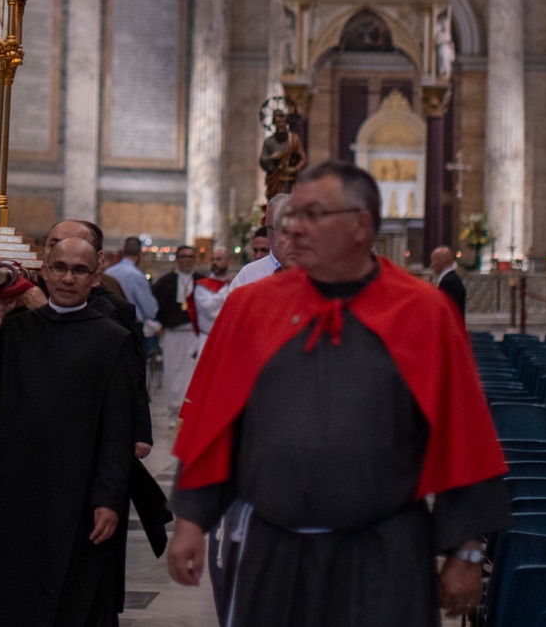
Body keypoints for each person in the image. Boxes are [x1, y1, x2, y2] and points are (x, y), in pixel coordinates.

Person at [166, 162, 510, 625]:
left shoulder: (422, 312)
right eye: (292, 218)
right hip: (275, 551)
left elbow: (462, 434)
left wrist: (467, 552)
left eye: (314, 215)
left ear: (360, 225)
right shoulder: (252, 306)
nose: (295, 230)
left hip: (382, 556)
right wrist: (191, 519)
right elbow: (219, 420)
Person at [0, 235, 143, 627]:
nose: (69, 278)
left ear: (95, 276)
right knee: (2, 583)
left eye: (80, 270)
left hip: (74, 484)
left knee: (65, 587)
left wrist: (108, 497)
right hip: (8, 481)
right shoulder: (15, 324)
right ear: (45, 272)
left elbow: (118, 428)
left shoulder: (111, 337)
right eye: (61, 268)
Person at [150, 246, 201, 416]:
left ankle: (189, 413)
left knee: (193, 375)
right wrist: (156, 325)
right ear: (177, 259)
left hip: (195, 336)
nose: (187, 260)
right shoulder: (165, 282)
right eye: (184, 256)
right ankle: (173, 411)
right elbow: (153, 308)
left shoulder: (202, 281)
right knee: (172, 373)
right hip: (172, 335)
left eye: (191, 256)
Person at [227, 195, 291, 292]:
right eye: (272, 228)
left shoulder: (315, 272)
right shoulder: (247, 275)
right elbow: (232, 306)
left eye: (284, 227)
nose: (279, 235)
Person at [191, 247, 233, 340]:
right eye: (212, 259)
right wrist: (227, 287)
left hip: (229, 337)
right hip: (208, 337)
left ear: (228, 261)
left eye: (218, 259)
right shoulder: (202, 286)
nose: (214, 262)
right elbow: (210, 309)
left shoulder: (235, 283)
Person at [430, 245, 468, 321]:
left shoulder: (448, 281)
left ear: (440, 261)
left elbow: (446, 309)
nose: (431, 265)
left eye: (433, 260)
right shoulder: (451, 278)